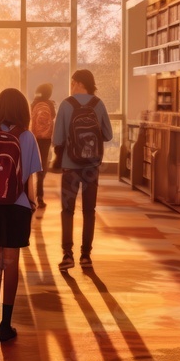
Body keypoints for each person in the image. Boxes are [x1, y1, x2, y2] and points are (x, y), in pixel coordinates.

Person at [0, 88, 42, 346]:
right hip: (17, 204)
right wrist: (32, 204)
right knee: (11, 261)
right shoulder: (26, 136)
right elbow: (29, 178)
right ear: (22, 110)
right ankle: (5, 325)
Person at [51, 69, 113, 271]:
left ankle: (67, 255)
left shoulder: (66, 104)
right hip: (92, 167)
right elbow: (108, 135)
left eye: (72, 82)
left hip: (70, 167)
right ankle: (86, 255)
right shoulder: (99, 104)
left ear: (78, 83)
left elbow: (57, 139)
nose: (71, 86)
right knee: (89, 211)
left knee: (67, 211)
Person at [29, 83, 56, 211]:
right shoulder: (50, 106)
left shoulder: (33, 104)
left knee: (30, 166)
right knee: (42, 167)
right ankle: (40, 196)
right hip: (45, 140)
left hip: (33, 138)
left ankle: (28, 196)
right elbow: (53, 118)